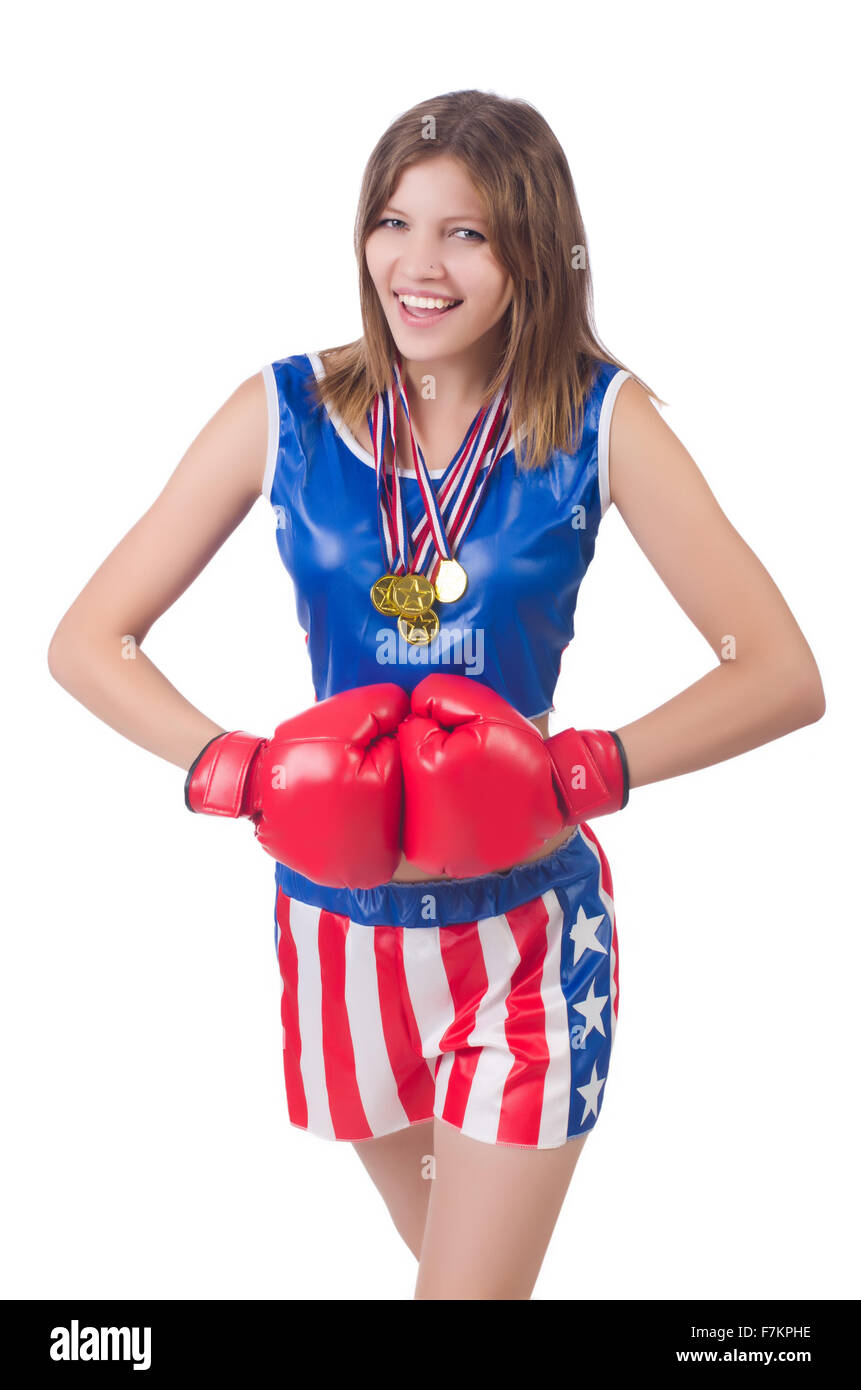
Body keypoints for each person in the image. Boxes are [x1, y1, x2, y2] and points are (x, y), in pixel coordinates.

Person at [47, 89, 826, 1300]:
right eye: (394, 222)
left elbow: (780, 669)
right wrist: (239, 771)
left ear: (531, 245)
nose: (419, 265)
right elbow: (92, 636)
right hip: (334, 927)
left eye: (466, 232)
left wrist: (584, 769)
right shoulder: (287, 412)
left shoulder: (599, 421)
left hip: (525, 939)